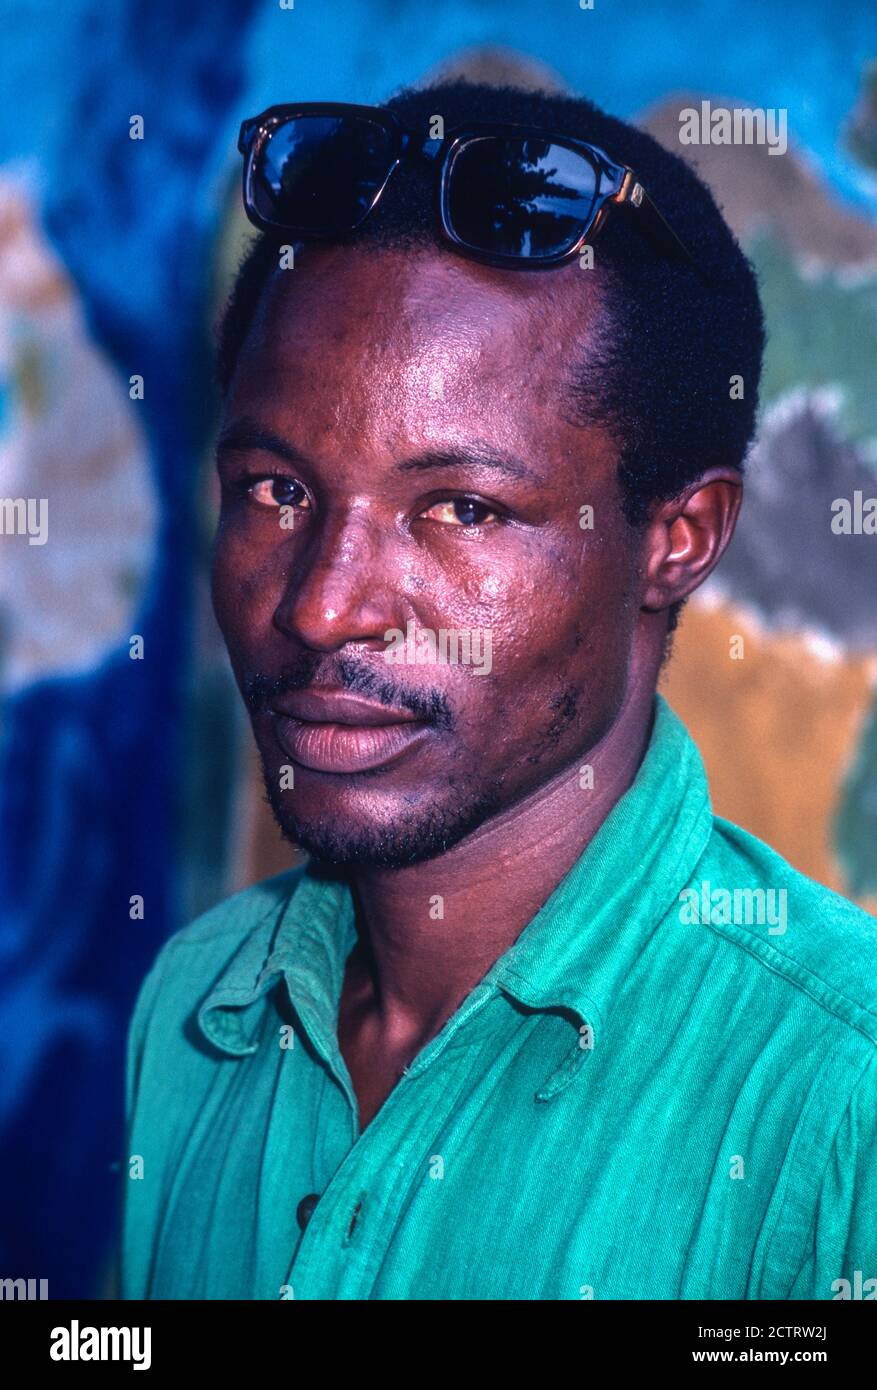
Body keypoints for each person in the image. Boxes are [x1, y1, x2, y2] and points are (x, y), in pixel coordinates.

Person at [121, 80, 877, 1300]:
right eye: (274, 489)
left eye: (461, 509)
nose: (322, 606)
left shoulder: (841, 1092)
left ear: (675, 539)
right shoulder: (194, 1007)